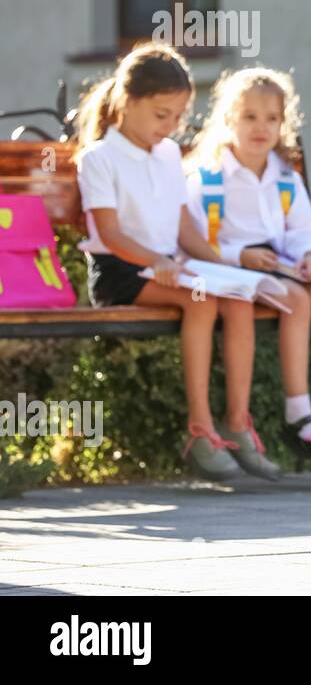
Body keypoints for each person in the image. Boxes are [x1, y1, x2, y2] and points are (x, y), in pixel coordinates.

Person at [73, 43, 280, 481]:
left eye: (179, 116)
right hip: (121, 272)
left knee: (237, 299)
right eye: (161, 114)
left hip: (169, 268)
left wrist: (226, 270)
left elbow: (184, 225)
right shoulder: (98, 159)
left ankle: (238, 423)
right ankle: (200, 431)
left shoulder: (168, 154)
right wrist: (161, 263)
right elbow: (110, 234)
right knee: (203, 302)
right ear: (128, 103)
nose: (171, 126)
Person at [185, 67, 311, 463]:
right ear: (227, 119)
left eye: (272, 118)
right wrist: (240, 256)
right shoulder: (209, 179)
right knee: (297, 300)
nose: (260, 127)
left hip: (281, 267)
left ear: (284, 123)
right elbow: (193, 241)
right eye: (249, 117)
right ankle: (298, 412)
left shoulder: (285, 177)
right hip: (233, 271)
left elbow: (302, 231)